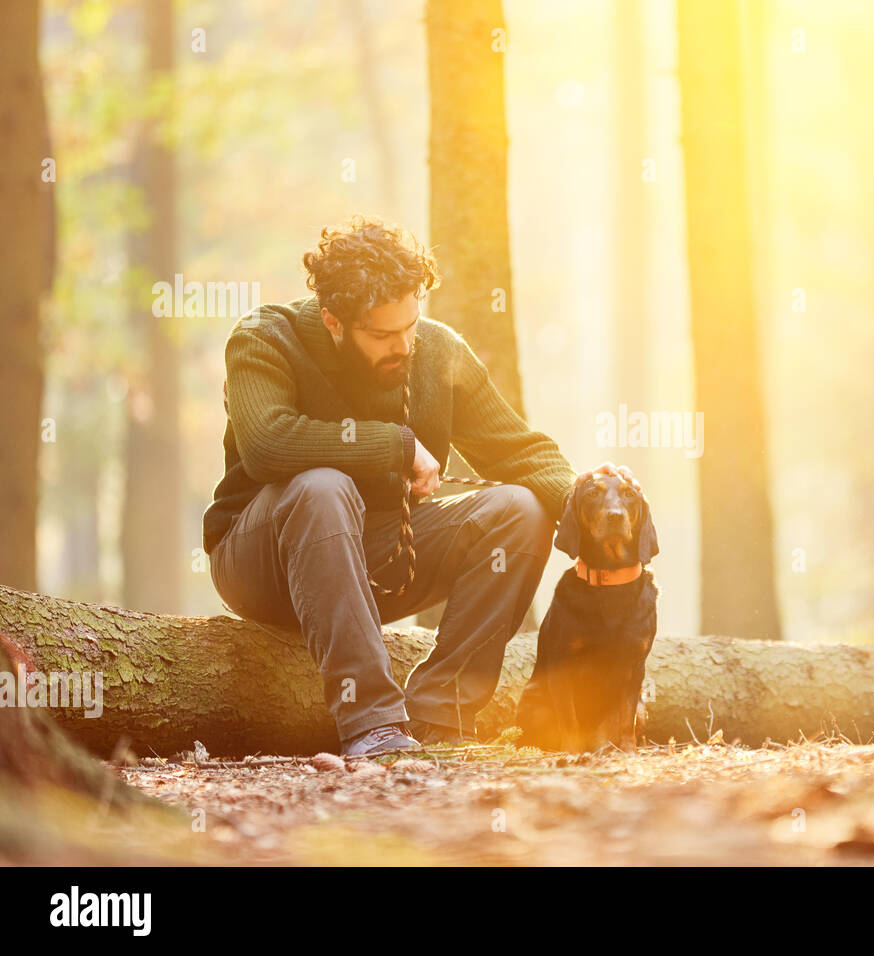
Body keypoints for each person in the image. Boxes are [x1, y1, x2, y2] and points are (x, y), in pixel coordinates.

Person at [201, 215, 638, 755]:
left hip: (377, 562)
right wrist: (397, 445)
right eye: (382, 335)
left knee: (518, 508)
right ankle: (373, 723)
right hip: (259, 562)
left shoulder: (436, 351)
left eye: (409, 325)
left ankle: (442, 715)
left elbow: (524, 453)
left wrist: (592, 517)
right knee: (322, 487)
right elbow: (268, 444)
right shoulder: (265, 339)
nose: (404, 346)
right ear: (334, 321)